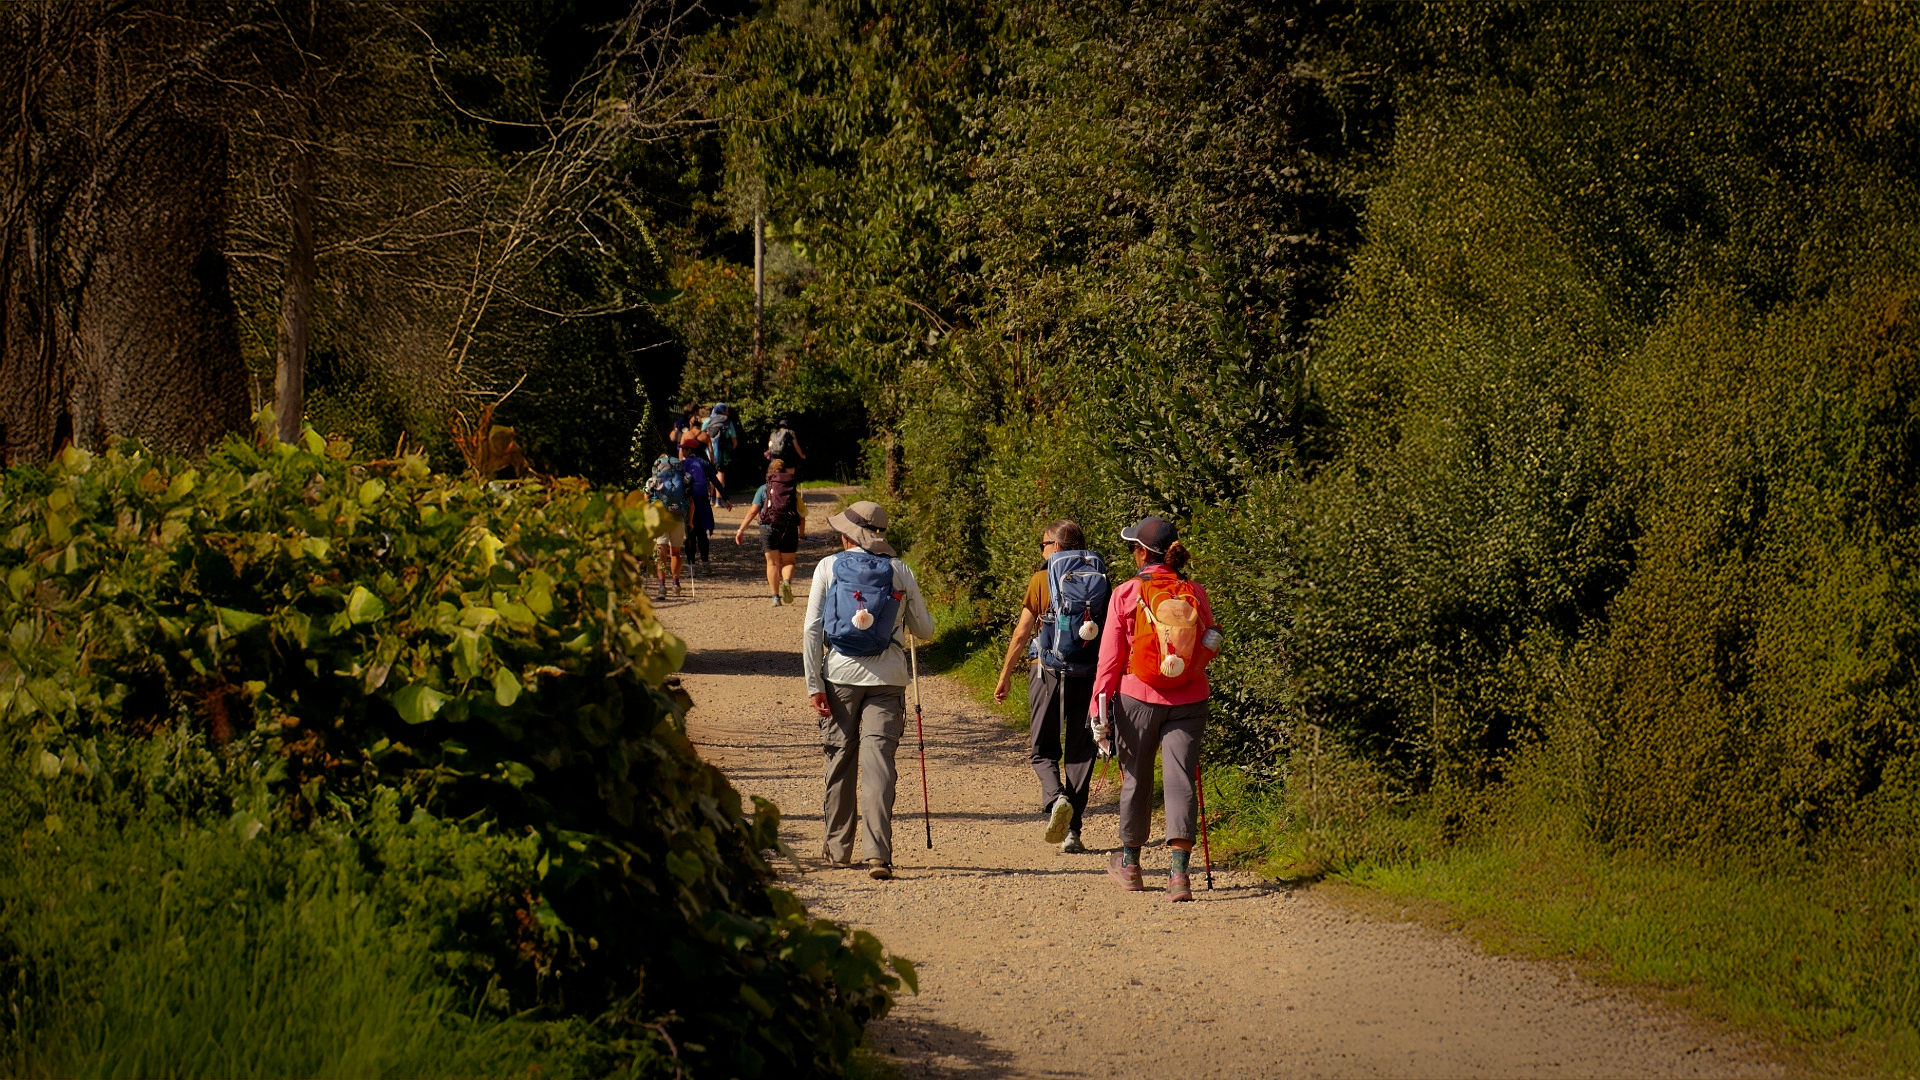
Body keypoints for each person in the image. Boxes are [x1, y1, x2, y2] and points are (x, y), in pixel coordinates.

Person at [802, 500, 934, 880]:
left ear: (848, 536)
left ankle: (839, 850)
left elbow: (813, 629)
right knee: (879, 766)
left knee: (839, 760)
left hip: (839, 677)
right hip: (888, 679)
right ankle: (878, 854)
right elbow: (924, 630)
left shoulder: (828, 567)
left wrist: (815, 684)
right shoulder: (899, 570)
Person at [1090, 515, 1219, 902]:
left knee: (1136, 777)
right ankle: (1179, 877)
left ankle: (1130, 865)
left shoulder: (1127, 593)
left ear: (1143, 552)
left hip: (1138, 697)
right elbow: (1209, 639)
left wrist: (1098, 708)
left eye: (1133, 546)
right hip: (1191, 697)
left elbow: (1110, 660)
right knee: (1179, 779)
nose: (1132, 551)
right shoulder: (1194, 590)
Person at [993, 520, 1103, 854]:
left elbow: (1022, 632)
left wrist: (1005, 675)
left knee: (1043, 749)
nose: (1041, 551)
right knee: (1081, 752)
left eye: (1043, 544)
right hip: (1089, 673)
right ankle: (1073, 832)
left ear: (1055, 546)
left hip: (1047, 673)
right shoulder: (1102, 578)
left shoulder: (1042, 579)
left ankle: (1056, 799)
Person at [732, 457, 806, 606]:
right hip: (789, 527)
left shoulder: (763, 489)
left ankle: (775, 597)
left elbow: (753, 511)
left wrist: (741, 530)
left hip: (768, 528)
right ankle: (786, 582)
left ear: (769, 473)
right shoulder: (792, 489)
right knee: (789, 561)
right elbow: (802, 514)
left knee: (772, 563)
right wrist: (802, 533)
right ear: (785, 472)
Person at [643, 452, 689, 599]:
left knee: (660, 554)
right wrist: (690, 520)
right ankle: (675, 584)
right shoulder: (682, 478)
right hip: (678, 516)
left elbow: (646, 499)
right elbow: (691, 501)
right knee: (675, 553)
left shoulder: (652, 480)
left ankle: (662, 587)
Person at [680, 442, 724, 569]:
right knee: (702, 534)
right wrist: (725, 498)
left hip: (689, 502)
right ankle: (705, 564)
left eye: (683, 449)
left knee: (690, 534)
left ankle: (691, 566)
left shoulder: (682, 465)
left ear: (689, 450)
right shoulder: (704, 463)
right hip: (703, 502)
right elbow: (715, 481)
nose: (681, 451)